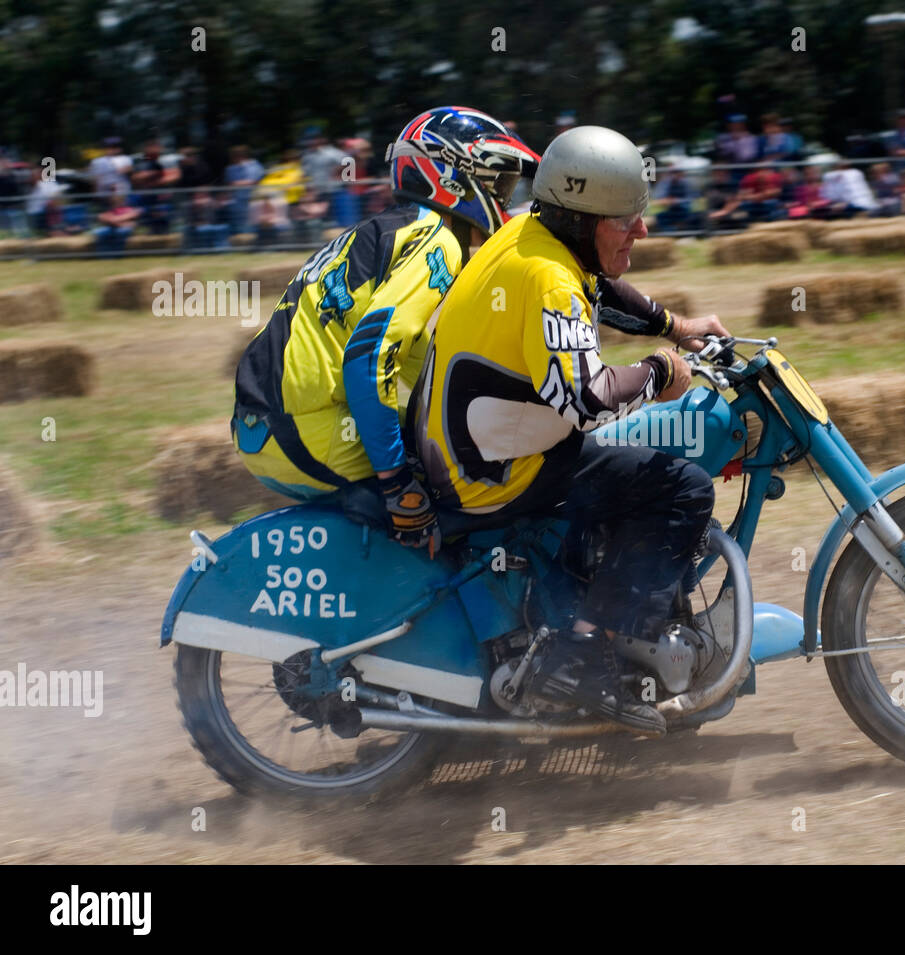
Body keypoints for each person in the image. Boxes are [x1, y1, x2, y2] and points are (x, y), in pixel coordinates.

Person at [409, 125, 730, 733]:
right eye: (626, 219)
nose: (643, 230)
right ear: (583, 221)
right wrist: (662, 370)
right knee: (682, 487)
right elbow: (586, 399)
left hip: (474, 447)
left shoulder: (529, 232)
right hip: (495, 471)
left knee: (624, 468)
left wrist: (674, 324)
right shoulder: (549, 278)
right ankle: (582, 655)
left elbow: (600, 286)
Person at [232, 106, 540, 551]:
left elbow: (416, 375)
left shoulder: (396, 231)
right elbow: (370, 356)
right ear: (454, 176)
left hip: (270, 426)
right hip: (303, 427)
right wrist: (397, 482)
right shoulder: (437, 239)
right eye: (500, 181)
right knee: (477, 480)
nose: (506, 198)